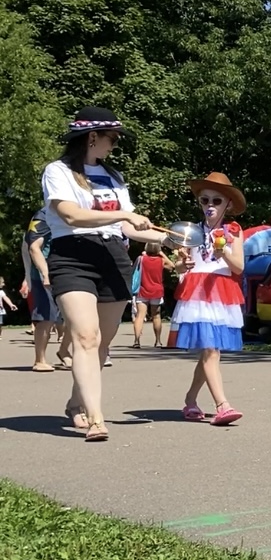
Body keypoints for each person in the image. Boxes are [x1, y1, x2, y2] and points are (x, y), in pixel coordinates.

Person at [42, 106, 172, 442]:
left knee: (102, 342)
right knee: (86, 337)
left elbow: (133, 229)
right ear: (92, 137)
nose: (114, 144)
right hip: (73, 254)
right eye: (112, 138)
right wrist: (124, 216)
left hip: (113, 256)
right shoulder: (58, 172)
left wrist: (171, 240)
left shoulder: (113, 177)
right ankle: (96, 418)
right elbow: (70, 215)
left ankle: (76, 402)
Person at [170, 173, 248, 424]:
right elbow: (179, 268)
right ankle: (222, 405)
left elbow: (238, 267)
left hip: (223, 292)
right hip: (197, 293)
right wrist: (182, 264)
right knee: (210, 350)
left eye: (216, 200)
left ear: (228, 204)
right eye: (204, 200)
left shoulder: (234, 231)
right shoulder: (190, 232)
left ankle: (191, 399)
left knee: (211, 352)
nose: (210, 205)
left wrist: (222, 250)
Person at [20, 210, 62, 371]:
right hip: (43, 273)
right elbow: (33, 247)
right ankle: (40, 360)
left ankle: (65, 352)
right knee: (46, 315)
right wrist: (44, 273)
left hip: (63, 270)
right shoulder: (43, 216)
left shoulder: (70, 213)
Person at [130, 242, 171, 348]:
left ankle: (137, 340)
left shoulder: (141, 259)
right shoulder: (161, 260)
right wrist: (161, 253)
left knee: (140, 315)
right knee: (156, 316)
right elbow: (172, 266)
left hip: (142, 290)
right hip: (157, 291)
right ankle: (158, 341)